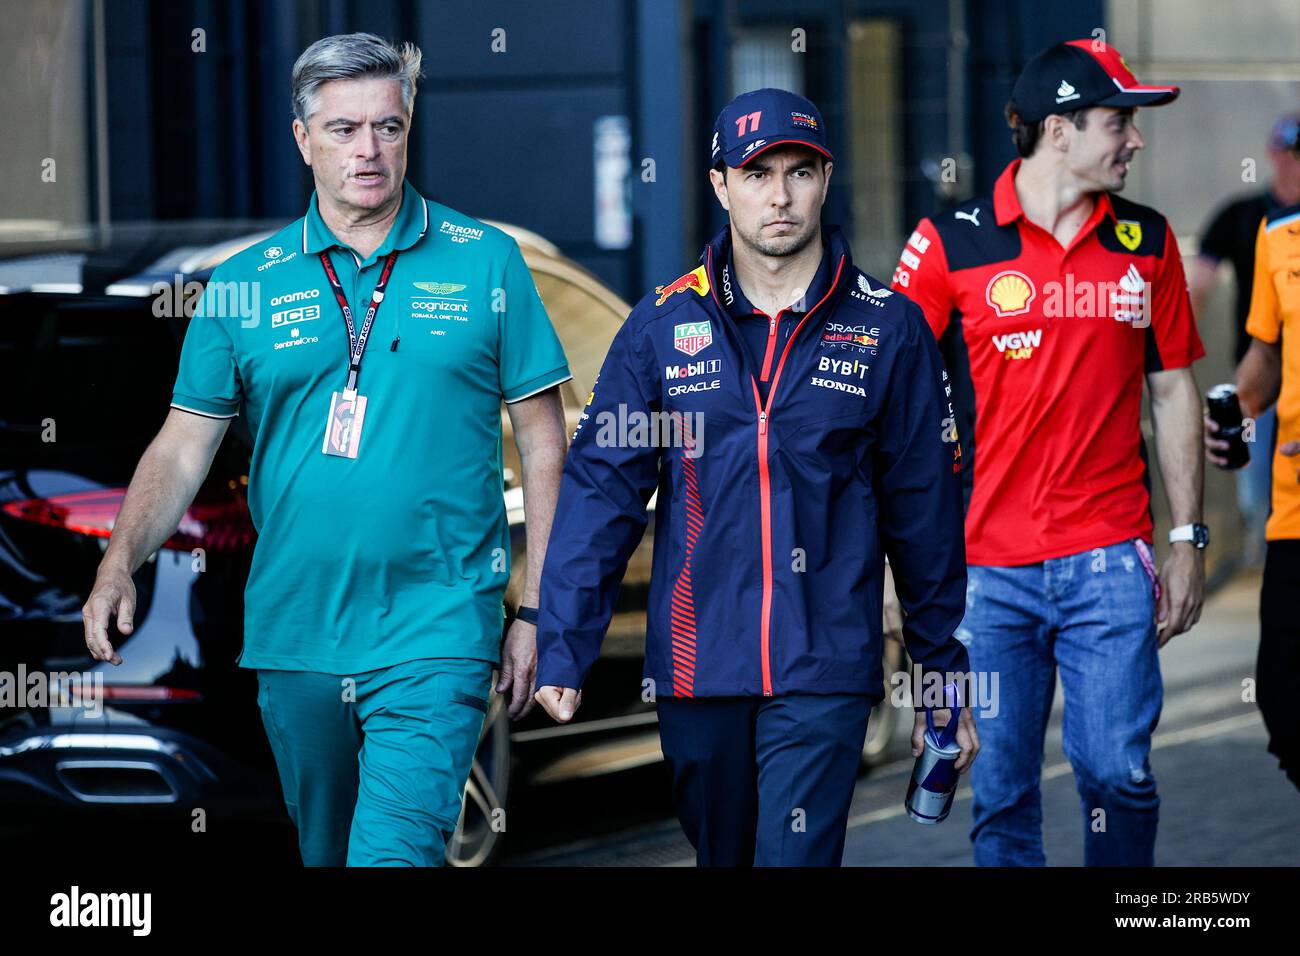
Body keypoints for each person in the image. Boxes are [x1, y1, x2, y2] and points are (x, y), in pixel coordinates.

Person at [79, 33, 572, 866]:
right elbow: (181, 449)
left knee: (391, 854)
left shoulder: (486, 260)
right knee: (328, 852)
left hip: (439, 627)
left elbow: (543, 438)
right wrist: (119, 560)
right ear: (304, 140)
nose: (368, 150)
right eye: (343, 130)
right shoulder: (243, 284)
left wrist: (538, 611)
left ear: (408, 129)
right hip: (295, 633)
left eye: (387, 127)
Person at [533, 88, 978, 867]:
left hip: (826, 667)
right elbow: (604, 489)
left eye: (799, 171)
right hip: (698, 668)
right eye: (757, 173)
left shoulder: (888, 328)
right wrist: (565, 643)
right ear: (720, 186)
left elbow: (924, 521)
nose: (780, 195)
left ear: (826, 178)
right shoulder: (663, 327)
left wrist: (940, 681)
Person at [893, 39, 1207, 866]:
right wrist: (897, 567)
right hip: (983, 574)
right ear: (1059, 130)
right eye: (1118, 123)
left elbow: (1173, 388)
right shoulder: (946, 242)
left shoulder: (1147, 239)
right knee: (1001, 797)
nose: (1134, 141)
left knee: (1119, 771)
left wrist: (1186, 542)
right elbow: (888, 404)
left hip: (1110, 559)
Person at [1205, 198, 1300, 791]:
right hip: (1292, 514)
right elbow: (1267, 351)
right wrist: (1239, 406)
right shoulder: (1281, 236)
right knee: (1285, 702)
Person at [1188, 114, 1300, 562]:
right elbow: (1197, 286)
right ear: (1273, 154)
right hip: (1263, 380)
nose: (1294, 163)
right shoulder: (1249, 217)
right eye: (1289, 153)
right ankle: (1268, 548)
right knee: (1261, 496)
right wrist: (1173, 367)